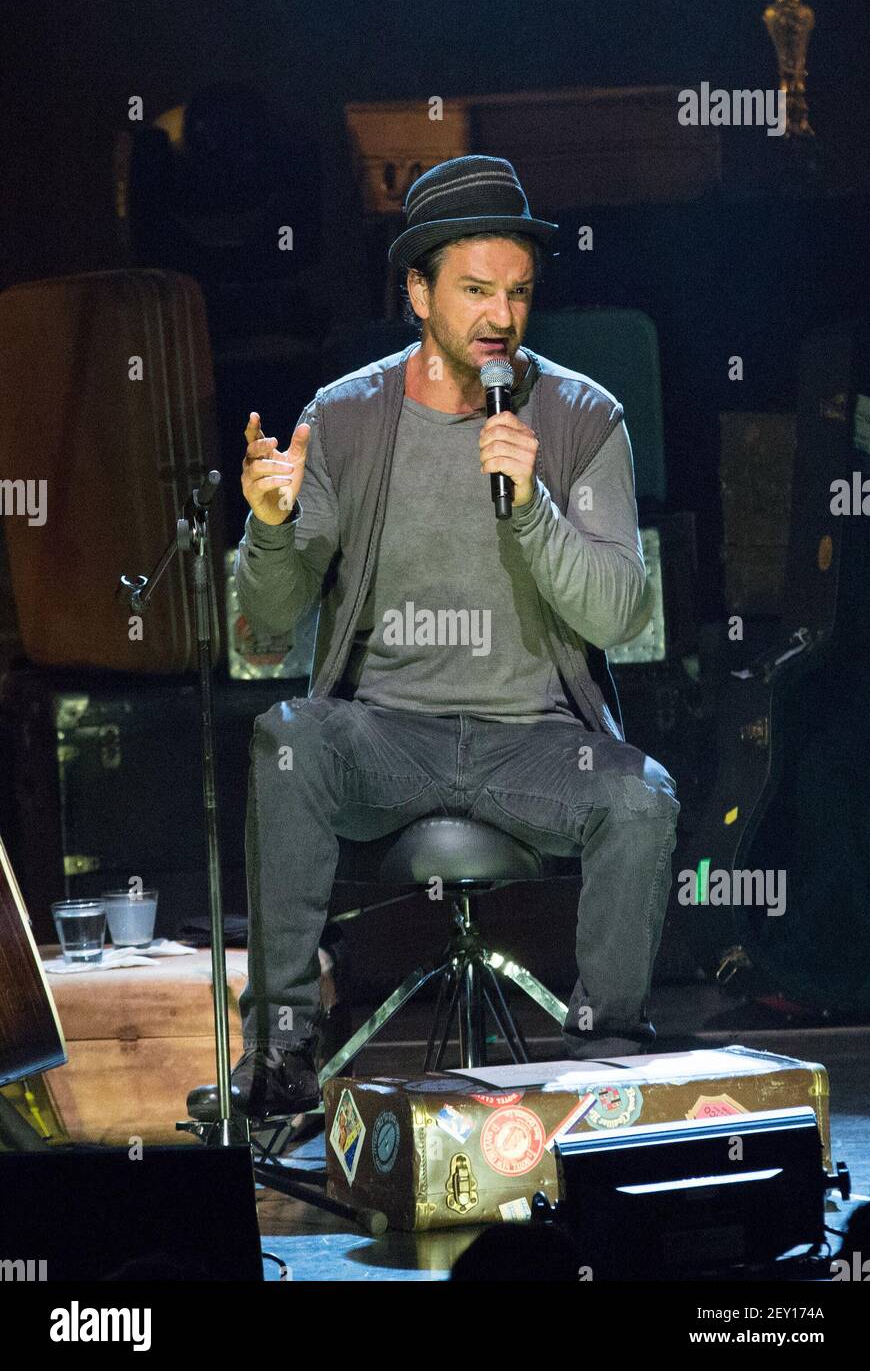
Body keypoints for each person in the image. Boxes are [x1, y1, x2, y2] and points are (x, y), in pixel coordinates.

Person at [227, 155, 680, 1119]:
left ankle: (602, 1063)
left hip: (535, 743)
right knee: (285, 740)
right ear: (417, 292)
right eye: (475, 290)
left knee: (642, 802)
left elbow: (619, 613)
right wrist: (270, 530)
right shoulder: (345, 418)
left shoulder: (582, 415)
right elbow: (266, 620)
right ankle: (282, 1051)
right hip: (386, 737)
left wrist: (533, 511)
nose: (501, 317)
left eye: (516, 292)